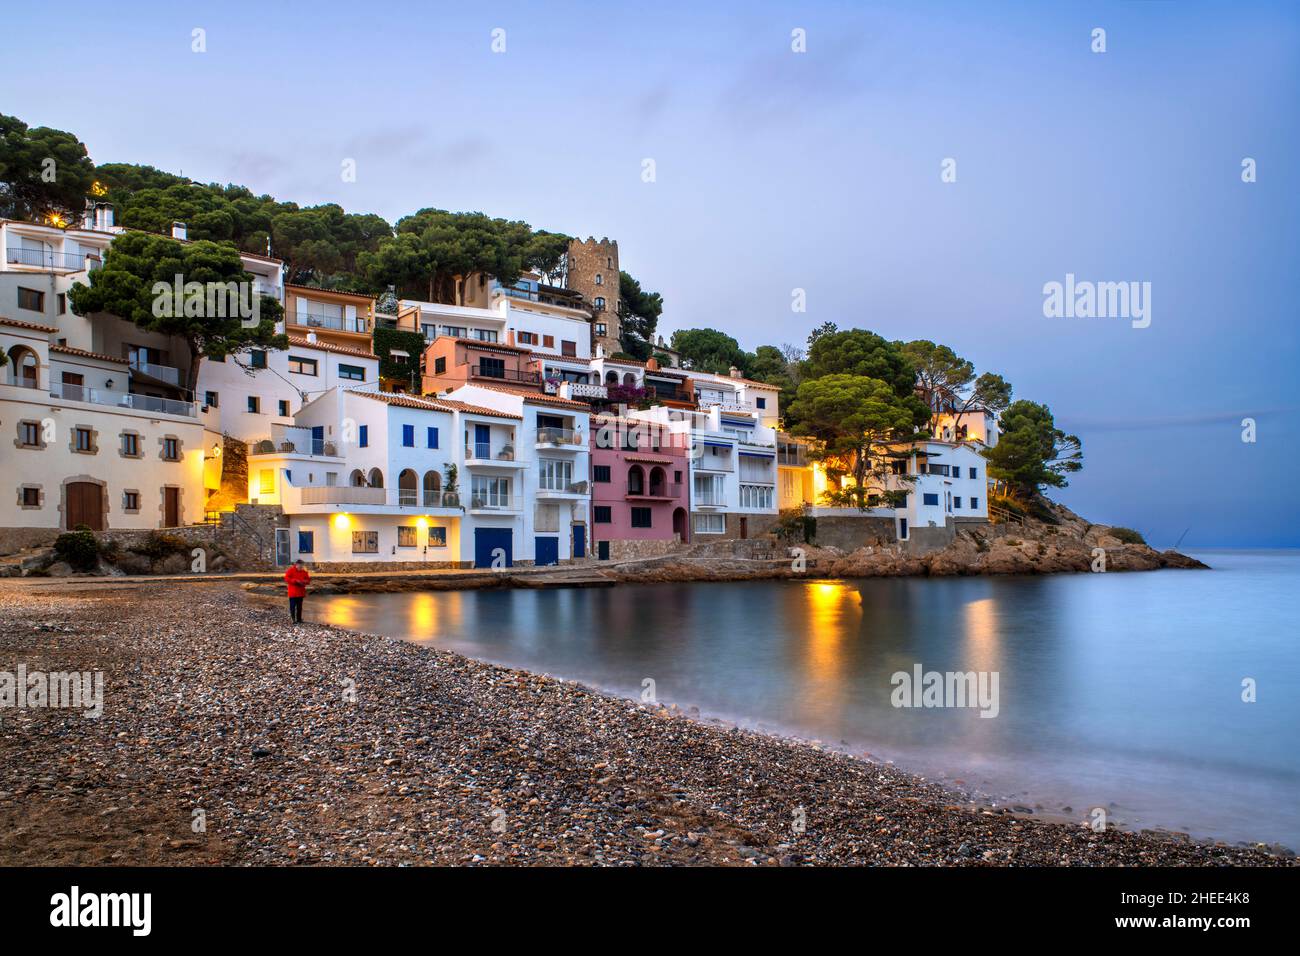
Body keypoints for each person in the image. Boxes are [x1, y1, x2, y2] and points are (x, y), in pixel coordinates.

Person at [285, 559, 310, 624]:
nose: (301, 567)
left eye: (302, 566)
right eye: (300, 566)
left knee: (299, 607)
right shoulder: (291, 570)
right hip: (292, 592)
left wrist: (304, 582)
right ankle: (293, 619)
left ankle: (299, 619)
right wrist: (295, 581)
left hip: (300, 592)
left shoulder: (304, 572)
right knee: (292, 606)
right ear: (296, 565)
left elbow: (308, 580)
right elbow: (287, 578)